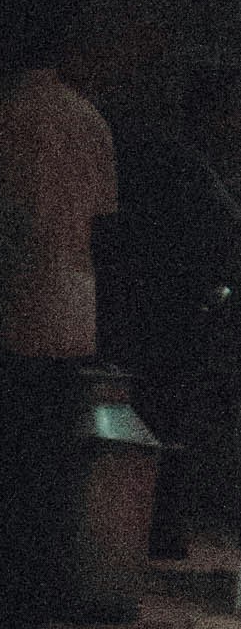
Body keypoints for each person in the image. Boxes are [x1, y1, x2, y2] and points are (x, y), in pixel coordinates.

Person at [0, 11, 119, 625]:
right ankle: (49, 589)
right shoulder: (89, 120)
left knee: (4, 459)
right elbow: (104, 222)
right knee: (52, 461)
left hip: (7, 308)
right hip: (73, 310)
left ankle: (11, 595)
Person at [104, 61, 241, 556]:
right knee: (169, 418)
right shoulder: (189, 168)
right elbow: (224, 236)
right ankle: (158, 528)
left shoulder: (163, 159)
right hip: (177, 313)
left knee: (155, 418)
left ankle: (141, 527)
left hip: (152, 309)